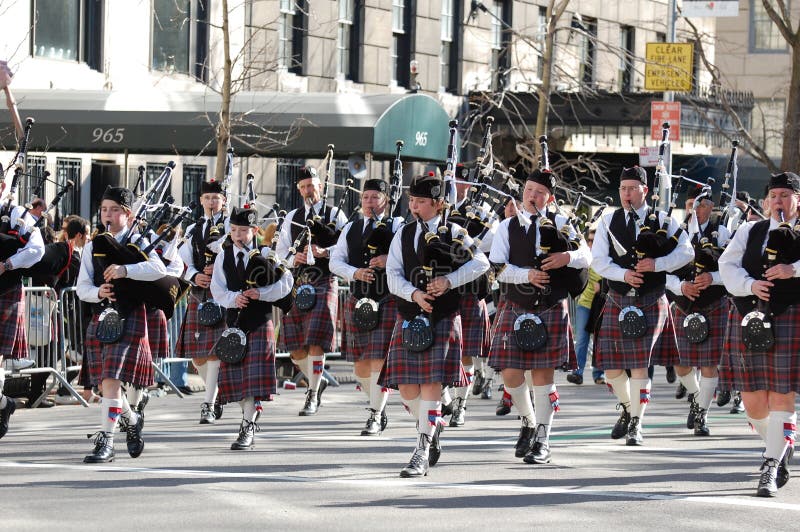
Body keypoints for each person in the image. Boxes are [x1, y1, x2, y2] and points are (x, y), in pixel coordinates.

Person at [383, 172, 489, 477]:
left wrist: (448, 281)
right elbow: (392, 274)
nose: (414, 206)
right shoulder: (402, 234)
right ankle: (433, 423)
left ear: (438, 203)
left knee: (430, 384)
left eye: (421, 201)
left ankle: (422, 448)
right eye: (412, 201)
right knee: (406, 390)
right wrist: (414, 294)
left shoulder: (454, 231)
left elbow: (481, 262)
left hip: (443, 316)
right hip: (409, 313)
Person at [488, 168, 590, 464]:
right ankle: (529, 421)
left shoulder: (562, 222)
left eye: (539, 192)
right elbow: (497, 267)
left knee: (543, 377)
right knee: (510, 375)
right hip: (515, 304)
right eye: (529, 190)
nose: (532, 196)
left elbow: (587, 254)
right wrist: (527, 275)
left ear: (550, 198)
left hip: (549, 306)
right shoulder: (507, 226)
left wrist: (565, 257)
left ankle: (543, 438)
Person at [591, 166, 693, 446]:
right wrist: (624, 274)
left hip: (650, 298)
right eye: (623, 188)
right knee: (611, 368)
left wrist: (656, 265)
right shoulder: (607, 222)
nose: (626, 193)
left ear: (644, 191)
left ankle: (637, 422)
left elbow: (687, 252)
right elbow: (598, 260)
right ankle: (627, 408)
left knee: (639, 366)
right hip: (618, 297)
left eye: (632, 188)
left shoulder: (662, 219)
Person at [719, 172, 800, 497]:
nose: (778, 201)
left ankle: (770, 463)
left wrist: (793, 269)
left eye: (785, 195)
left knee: (781, 395)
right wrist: (751, 284)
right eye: (774, 196)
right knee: (753, 404)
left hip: (792, 316)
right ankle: (780, 444)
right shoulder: (750, 230)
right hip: (749, 317)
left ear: (797, 200)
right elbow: (727, 266)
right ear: (766, 201)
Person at [76, 187, 166, 462]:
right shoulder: (93, 245)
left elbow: (159, 270)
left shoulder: (140, 240)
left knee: (111, 383)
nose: (108, 215)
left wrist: (126, 269)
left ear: (127, 214)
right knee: (105, 387)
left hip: (130, 316)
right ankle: (131, 419)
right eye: (104, 209)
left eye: (114, 209)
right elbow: (81, 287)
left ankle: (106, 442)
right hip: (102, 318)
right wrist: (98, 292)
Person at [210, 206, 293, 450]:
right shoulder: (222, 257)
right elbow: (217, 290)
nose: (237, 235)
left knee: (252, 382)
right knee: (238, 381)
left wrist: (261, 293)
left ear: (254, 231)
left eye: (243, 230)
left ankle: (246, 428)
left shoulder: (268, 253)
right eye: (234, 230)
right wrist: (233, 299)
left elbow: (286, 285)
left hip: (259, 322)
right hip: (234, 324)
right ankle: (251, 412)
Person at [329, 178, 403, 436]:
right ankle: (377, 404)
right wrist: (355, 272)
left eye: (375, 197)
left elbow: (412, 258)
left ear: (386, 200)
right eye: (366, 197)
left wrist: (388, 259)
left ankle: (375, 413)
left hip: (388, 299)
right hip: (358, 300)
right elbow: (335, 262)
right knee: (361, 367)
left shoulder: (400, 225)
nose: (370, 202)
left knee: (379, 362)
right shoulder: (351, 228)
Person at [275, 166, 347, 416]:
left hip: (324, 279)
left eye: (312, 185)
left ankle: (312, 393)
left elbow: (347, 247)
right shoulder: (292, 217)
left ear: (320, 187)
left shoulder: (335, 214)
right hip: (298, 281)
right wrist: (292, 258)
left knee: (316, 341)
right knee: (295, 348)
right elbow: (280, 251)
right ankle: (319, 380)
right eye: (304, 186)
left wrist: (325, 252)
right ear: (299, 189)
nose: (308, 190)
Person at [666, 185, 731, 436]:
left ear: (711, 207)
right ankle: (696, 397)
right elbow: (664, 271)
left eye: (703, 205)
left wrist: (712, 278)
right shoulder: (676, 233)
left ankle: (702, 414)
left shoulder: (723, 232)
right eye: (693, 204)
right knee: (680, 364)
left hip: (714, 303)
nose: (697, 210)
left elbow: (734, 267)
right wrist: (681, 287)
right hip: (684, 304)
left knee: (709, 364)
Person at [443, 171, 496, 426]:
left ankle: (460, 406)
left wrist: (470, 243)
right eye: (456, 182)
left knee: (466, 352)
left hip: (471, 288)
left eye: (465, 182)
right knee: (439, 349)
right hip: (442, 290)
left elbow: (492, 247)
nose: (461, 186)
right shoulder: (442, 209)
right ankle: (445, 399)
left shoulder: (484, 212)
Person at [176, 180, 230, 423]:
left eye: (216, 198)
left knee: (214, 352)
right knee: (198, 356)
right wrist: (195, 275)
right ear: (201, 201)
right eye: (207, 198)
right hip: (199, 292)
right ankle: (216, 392)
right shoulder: (192, 229)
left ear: (224, 201)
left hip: (222, 294)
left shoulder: (232, 225)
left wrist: (217, 270)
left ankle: (208, 402)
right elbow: (180, 263)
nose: (211, 202)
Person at [0, 180, 45, 437]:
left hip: (4, 291)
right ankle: (4, 404)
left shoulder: (17, 214)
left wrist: (7, 264)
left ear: (2, 185)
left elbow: (37, 250)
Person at [567, 229, 605, 385]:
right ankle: (577, 372)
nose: (591, 243)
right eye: (589, 240)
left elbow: (612, 276)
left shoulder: (605, 257)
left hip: (601, 303)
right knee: (582, 338)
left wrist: (602, 286)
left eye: (594, 241)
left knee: (600, 340)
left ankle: (599, 374)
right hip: (584, 303)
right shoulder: (585, 256)